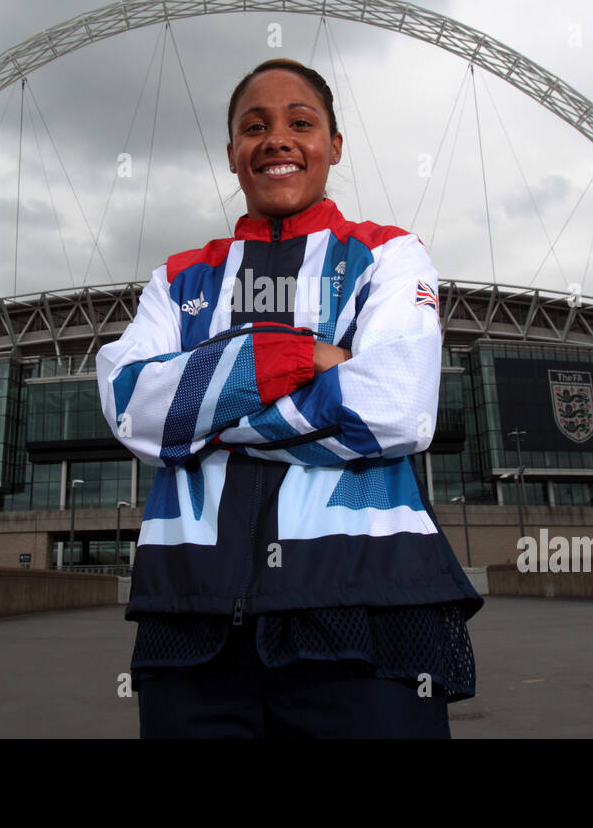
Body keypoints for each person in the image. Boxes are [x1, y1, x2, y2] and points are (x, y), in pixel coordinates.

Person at [96, 58, 483, 738]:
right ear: (233, 155)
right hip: (191, 619)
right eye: (255, 126)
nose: (276, 138)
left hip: (368, 610)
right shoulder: (179, 277)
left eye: (300, 123)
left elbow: (394, 406)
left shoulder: (388, 254)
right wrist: (296, 356)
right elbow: (132, 403)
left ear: (333, 146)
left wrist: (202, 413)